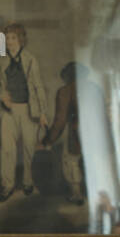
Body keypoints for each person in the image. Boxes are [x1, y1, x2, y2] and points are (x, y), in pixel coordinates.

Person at [0, 23, 49, 201]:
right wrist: (2, 96)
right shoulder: (0, 60)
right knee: (7, 149)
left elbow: (38, 86)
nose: (9, 42)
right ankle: (7, 185)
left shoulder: (31, 59)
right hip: (9, 110)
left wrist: (43, 112)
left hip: (29, 110)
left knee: (29, 148)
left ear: (21, 39)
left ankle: (28, 182)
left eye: (13, 38)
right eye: (7, 38)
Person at [42, 61, 87, 204]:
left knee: (71, 160)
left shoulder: (65, 91)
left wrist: (48, 140)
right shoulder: (95, 88)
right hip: (96, 134)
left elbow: (60, 121)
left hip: (77, 131)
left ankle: (77, 194)